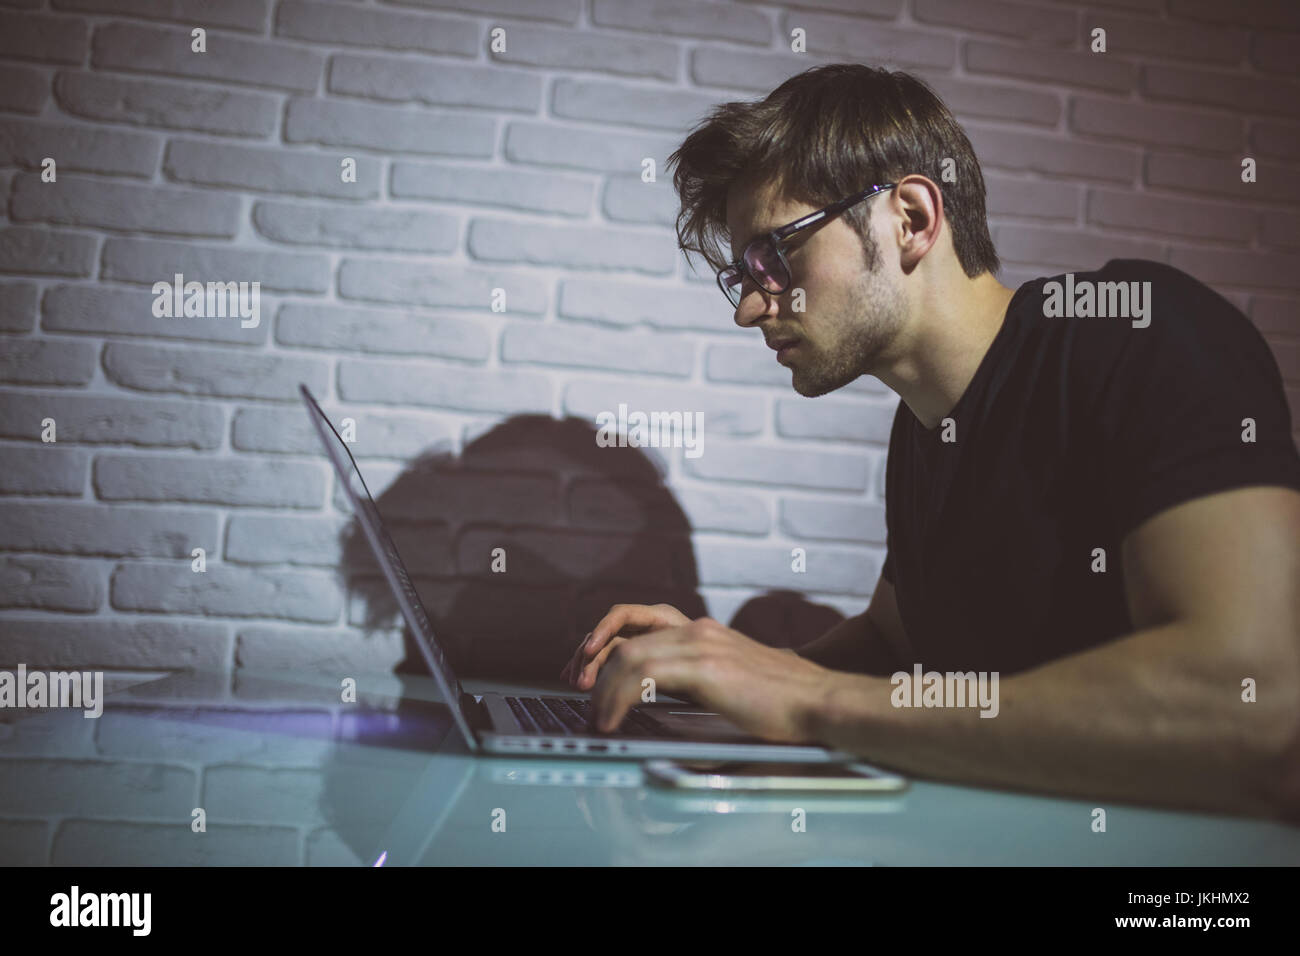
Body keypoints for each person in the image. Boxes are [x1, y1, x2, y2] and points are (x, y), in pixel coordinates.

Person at [560, 64, 1300, 820]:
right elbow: (894, 643)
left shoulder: (1141, 333)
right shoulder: (924, 428)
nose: (750, 307)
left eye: (774, 257)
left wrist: (807, 697)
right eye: (743, 274)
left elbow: (1259, 709)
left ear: (910, 218)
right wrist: (723, 666)